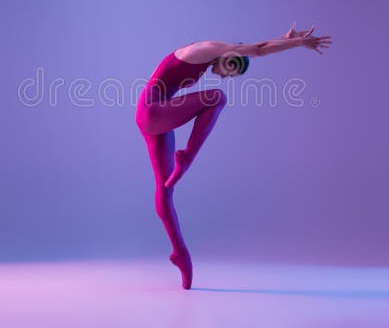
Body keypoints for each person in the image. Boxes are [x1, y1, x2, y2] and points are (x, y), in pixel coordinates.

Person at [134, 22, 332, 289]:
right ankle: (187, 157)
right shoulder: (206, 49)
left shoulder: (214, 56)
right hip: (152, 110)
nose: (226, 76)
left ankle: (180, 253)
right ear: (228, 57)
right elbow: (258, 50)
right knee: (217, 96)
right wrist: (296, 43)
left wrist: (281, 38)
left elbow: (252, 49)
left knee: (165, 188)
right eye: (230, 71)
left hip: (156, 114)